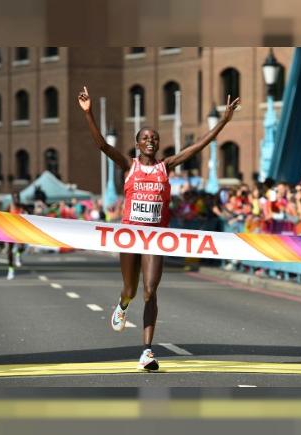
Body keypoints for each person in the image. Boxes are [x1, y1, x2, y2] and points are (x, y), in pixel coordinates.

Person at [78, 86, 240, 371]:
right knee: (130, 289)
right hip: (130, 236)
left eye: (154, 138)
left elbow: (197, 147)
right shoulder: (128, 165)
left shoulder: (166, 166)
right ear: (137, 144)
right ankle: (123, 304)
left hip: (156, 237)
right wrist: (89, 113)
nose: (150, 141)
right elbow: (102, 145)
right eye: (145, 138)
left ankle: (147, 351)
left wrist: (224, 122)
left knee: (150, 291)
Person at [6, 191, 26, 280]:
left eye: (17, 197)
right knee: (9, 252)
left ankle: (18, 254)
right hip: (11, 231)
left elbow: (31, 213)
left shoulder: (22, 206)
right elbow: (2, 217)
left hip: (20, 230)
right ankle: (10, 270)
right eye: (14, 198)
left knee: (22, 247)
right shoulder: (9, 207)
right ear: (12, 199)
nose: (16, 199)